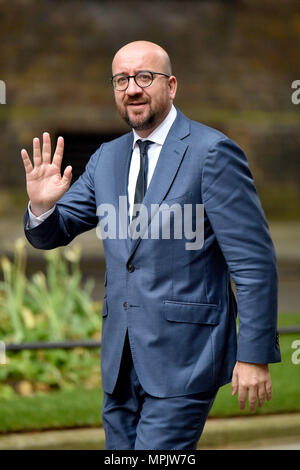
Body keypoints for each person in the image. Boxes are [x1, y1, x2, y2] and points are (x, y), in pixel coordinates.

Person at [21, 40, 281, 450]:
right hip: (120, 362)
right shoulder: (107, 158)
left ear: (171, 85)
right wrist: (40, 206)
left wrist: (253, 354)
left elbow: (254, 263)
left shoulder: (212, 153)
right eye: (121, 79)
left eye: (145, 77)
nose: (132, 88)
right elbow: (53, 231)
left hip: (186, 359)